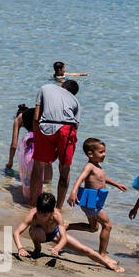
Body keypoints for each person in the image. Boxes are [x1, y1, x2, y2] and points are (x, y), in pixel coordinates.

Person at [13, 193, 122, 271]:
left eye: (45, 215)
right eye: (40, 213)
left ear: (52, 212)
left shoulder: (57, 216)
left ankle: (108, 264)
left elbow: (63, 237)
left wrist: (57, 248)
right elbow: (17, 232)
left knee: (84, 249)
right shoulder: (33, 215)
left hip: (54, 234)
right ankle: (37, 247)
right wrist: (20, 248)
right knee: (37, 230)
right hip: (38, 233)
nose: (41, 216)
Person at [66, 138, 126, 259]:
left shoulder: (97, 165)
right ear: (90, 154)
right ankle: (102, 255)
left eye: (104, 151)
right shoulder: (89, 166)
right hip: (91, 201)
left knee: (93, 228)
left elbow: (102, 178)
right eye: (101, 152)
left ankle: (66, 226)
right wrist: (73, 192)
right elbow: (80, 178)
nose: (104, 154)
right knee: (107, 226)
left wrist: (116, 184)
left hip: (94, 201)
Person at [30, 76, 80, 206]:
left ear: (62, 85)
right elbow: (76, 127)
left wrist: (37, 137)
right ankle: (59, 208)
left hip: (46, 125)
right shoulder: (76, 102)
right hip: (67, 128)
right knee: (64, 169)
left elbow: (36, 117)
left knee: (38, 165)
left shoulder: (45, 88)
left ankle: (33, 204)